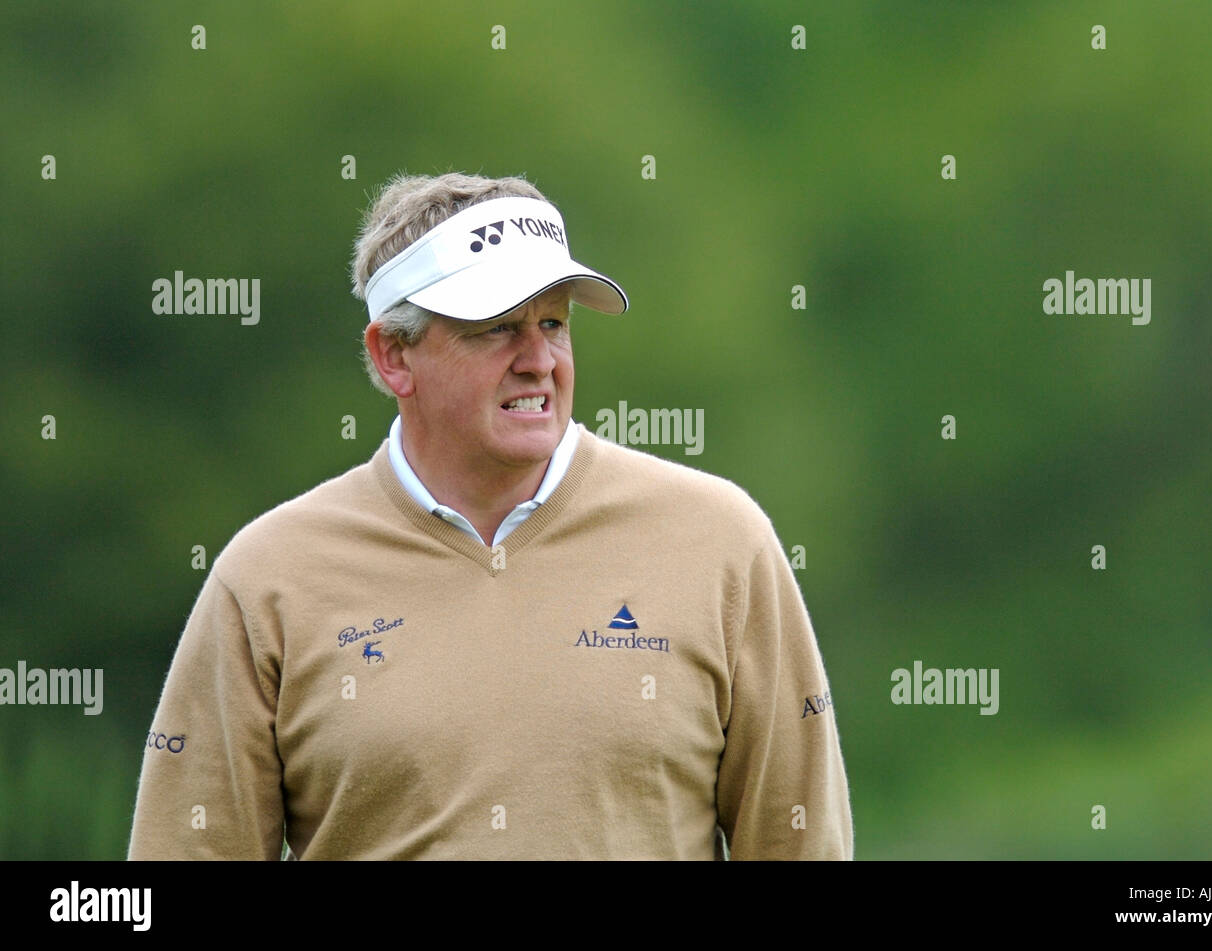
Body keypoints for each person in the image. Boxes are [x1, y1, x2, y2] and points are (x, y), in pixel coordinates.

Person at [128, 171, 853, 860]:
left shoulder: (720, 541)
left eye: (553, 324)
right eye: (497, 328)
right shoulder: (267, 577)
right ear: (392, 357)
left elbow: (799, 842)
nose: (538, 359)